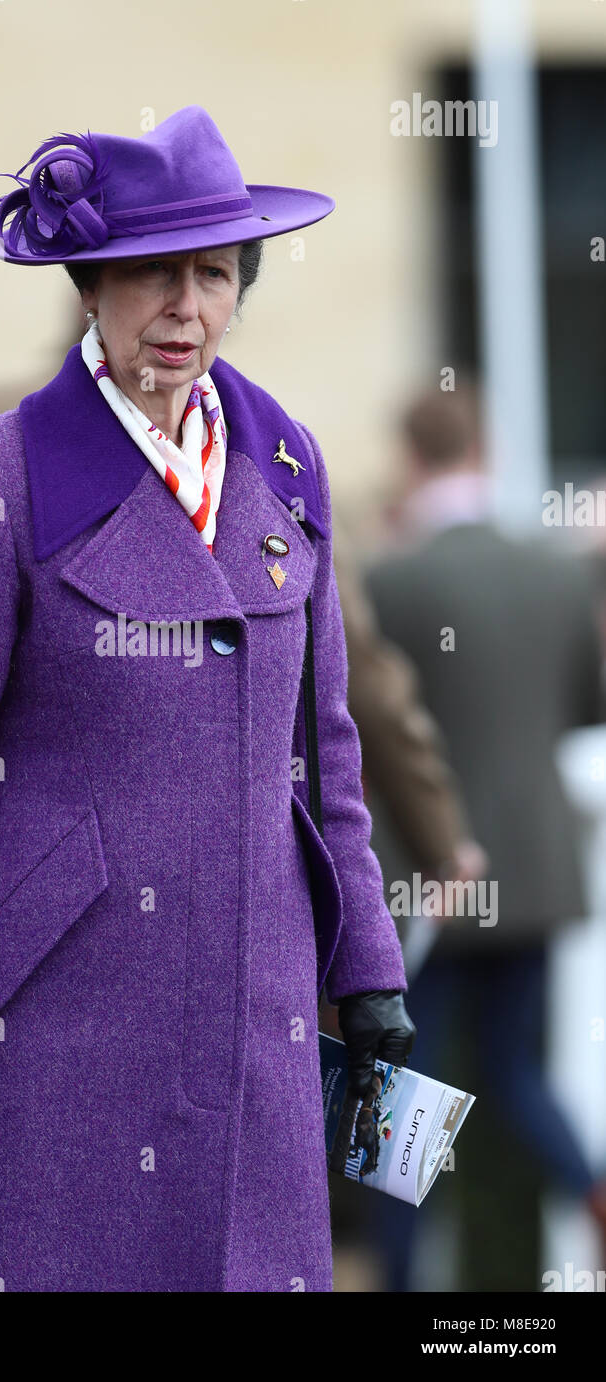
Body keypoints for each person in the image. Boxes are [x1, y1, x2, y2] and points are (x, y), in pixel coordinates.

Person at [0, 105, 415, 1293]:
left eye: (213, 274)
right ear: (89, 286)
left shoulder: (289, 463)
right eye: (153, 273)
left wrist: (368, 974)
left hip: (257, 996)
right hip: (53, 1008)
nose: (186, 308)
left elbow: (331, 761)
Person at [364, 378, 606, 1289]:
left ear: (412, 459)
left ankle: (403, 1280)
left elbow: (365, 728)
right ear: (484, 454)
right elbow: (588, 706)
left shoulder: (391, 578)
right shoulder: (556, 572)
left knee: (403, 1100)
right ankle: (592, 1189)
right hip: (536, 872)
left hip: (425, 880)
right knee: (515, 1075)